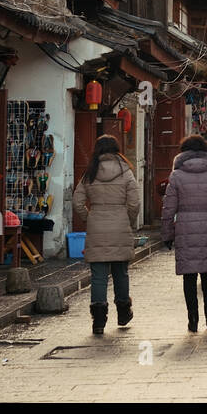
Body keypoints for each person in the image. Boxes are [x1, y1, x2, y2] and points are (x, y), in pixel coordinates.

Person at [162, 134, 207, 333]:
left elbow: (168, 209)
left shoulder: (176, 176)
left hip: (185, 229)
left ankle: (192, 319)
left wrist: (167, 234)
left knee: (189, 276)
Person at [72, 134, 140, 335]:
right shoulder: (126, 172)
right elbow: (135, 203)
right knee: (121, 272)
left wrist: (89, 217)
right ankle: (123, 313)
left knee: (98, 276)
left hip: (97, 226)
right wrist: (127, 219)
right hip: (120, 224)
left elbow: (77, 202)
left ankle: (99, 321)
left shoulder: (90, 173)